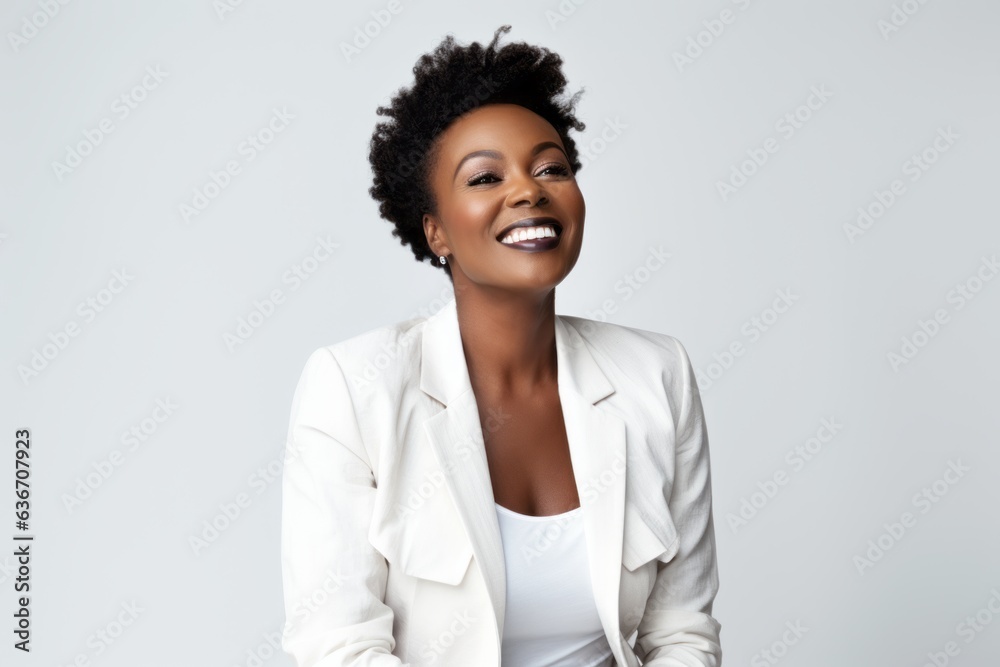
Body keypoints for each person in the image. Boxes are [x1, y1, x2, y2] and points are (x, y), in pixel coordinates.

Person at [280, 24, 722, 666]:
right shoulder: (354, 389)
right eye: (485, 178)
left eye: (551, 168)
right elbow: (339, 647)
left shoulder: (656, 375)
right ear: (436, 231)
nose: (528, 189)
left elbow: (682, 632)